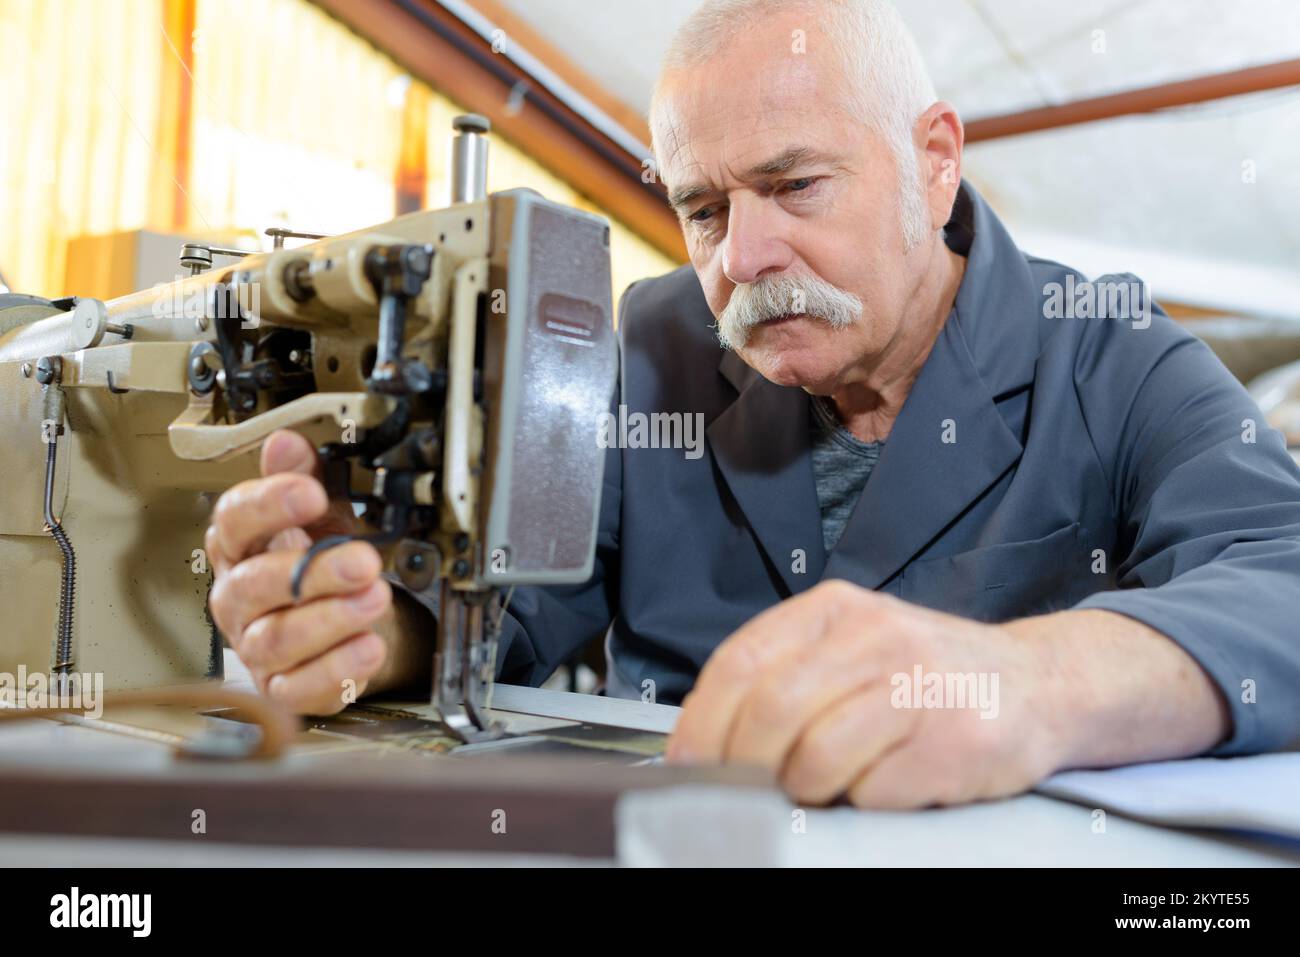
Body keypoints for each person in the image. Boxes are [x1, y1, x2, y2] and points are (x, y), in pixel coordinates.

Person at [206, 0, 1300, 808]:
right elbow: (514, 601)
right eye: (702, 208)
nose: (744, 256)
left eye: (794, 186)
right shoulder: (653, 339)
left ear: (933, 161)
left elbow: (1284, 582)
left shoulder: (1114, 352)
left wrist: (1030, 680)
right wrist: (369, 623)